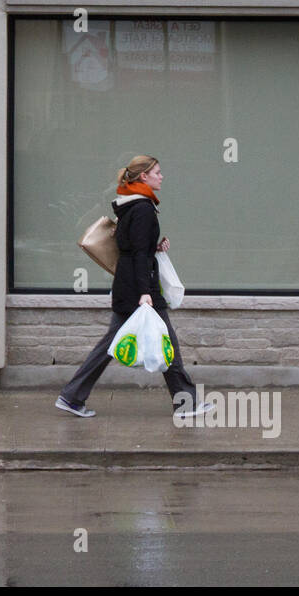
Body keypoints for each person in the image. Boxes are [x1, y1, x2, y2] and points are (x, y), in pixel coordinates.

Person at [56, 155, 214, 419]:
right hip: (139, 287)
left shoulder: (131, 205)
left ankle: (72, 396)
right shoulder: (143, 209)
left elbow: (132, 247)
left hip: (127, 284)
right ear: (144, 177)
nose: (162, 177)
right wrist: (145, 293)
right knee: (168, 343)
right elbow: (138, 254)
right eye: (158, 173)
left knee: (109, 345)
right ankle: (187, 403)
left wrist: (154, 247)